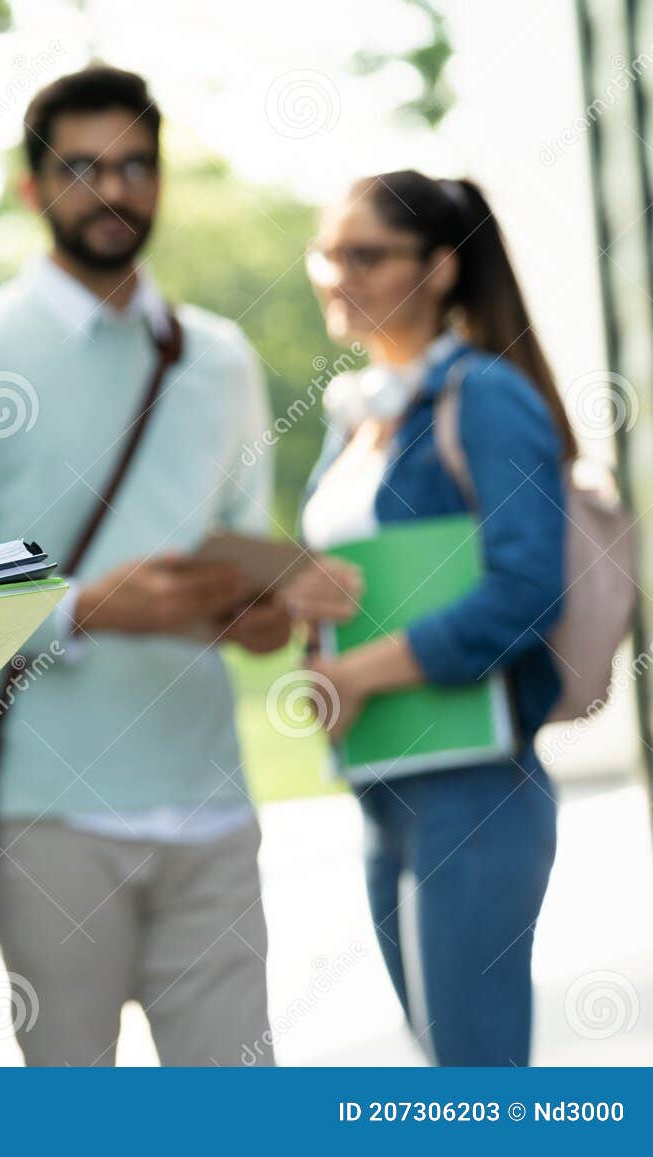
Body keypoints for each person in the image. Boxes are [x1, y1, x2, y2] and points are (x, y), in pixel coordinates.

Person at [0, 65, 286, 1067]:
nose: (114, 189)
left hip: (211, 804)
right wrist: (80, 611)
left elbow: (242, 551)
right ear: (32, 190)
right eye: (84, 167)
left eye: (137, 165)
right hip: (44, 818)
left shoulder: (218, 359)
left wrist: (264, 608)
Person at [285, 170, 572, 1066]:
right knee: (446, 1073)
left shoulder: (483, 397)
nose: (338, 275)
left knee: (476, 1082)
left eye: (364, 255)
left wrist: (362, 673)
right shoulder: (356, 411)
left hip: (476, 785)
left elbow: (530, 586)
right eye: (327, 254)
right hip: (385, 782)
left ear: (440, 268)